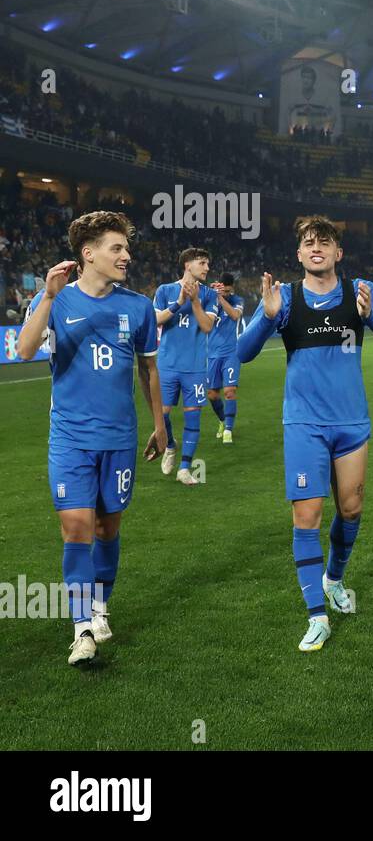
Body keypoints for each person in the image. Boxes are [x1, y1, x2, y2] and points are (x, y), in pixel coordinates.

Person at [236, 215, 373, 652]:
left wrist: (372, 319)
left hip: (351, 423)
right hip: (304, 424)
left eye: (325, 242)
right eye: (309, 243)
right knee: (306, 516)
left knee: (350, 510)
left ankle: (333, 579)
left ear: (338, 253)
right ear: (299, 254)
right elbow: (243, 353)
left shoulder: (361, 291)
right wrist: (267, 318)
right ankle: (316, 615)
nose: (317, 248)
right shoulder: (285, 298)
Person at [17, 211, 166, 665]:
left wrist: (161, 426)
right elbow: (23, 350)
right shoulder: (56, 301)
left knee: (108, 527)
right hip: (70, 437)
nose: (126, 255)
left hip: (119, 437)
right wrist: (46, 295)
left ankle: (100, 606)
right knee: (76, 528)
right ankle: (81, 627)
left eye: (126, 247)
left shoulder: (137, 307)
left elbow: (149, 368)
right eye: (116, 248)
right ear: (88, 254)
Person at [153, 248, 218, 485]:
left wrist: (195, 302)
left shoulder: (210, 294)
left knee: (193, 417)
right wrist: (179, 302)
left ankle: (184, 468)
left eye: (207, 263)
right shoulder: (165, 290)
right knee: (162, 414)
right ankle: (170, 445)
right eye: (202, 262)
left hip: (195, 367)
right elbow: (156, 320)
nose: (207, 268)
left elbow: (207, 326)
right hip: (168, 364)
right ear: (187, 265)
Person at [205, 272, 244, 444]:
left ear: (232, 288)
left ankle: (228, 428)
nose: (226, 293)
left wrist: (221, 298)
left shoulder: (237, 300)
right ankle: (222, 420)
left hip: (231, 352)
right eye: (224, 290)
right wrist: (210, 293)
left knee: (229, 391)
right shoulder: (210, 298)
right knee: (212, 394)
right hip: (212, 353)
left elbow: (235, 316)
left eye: (228, 291)